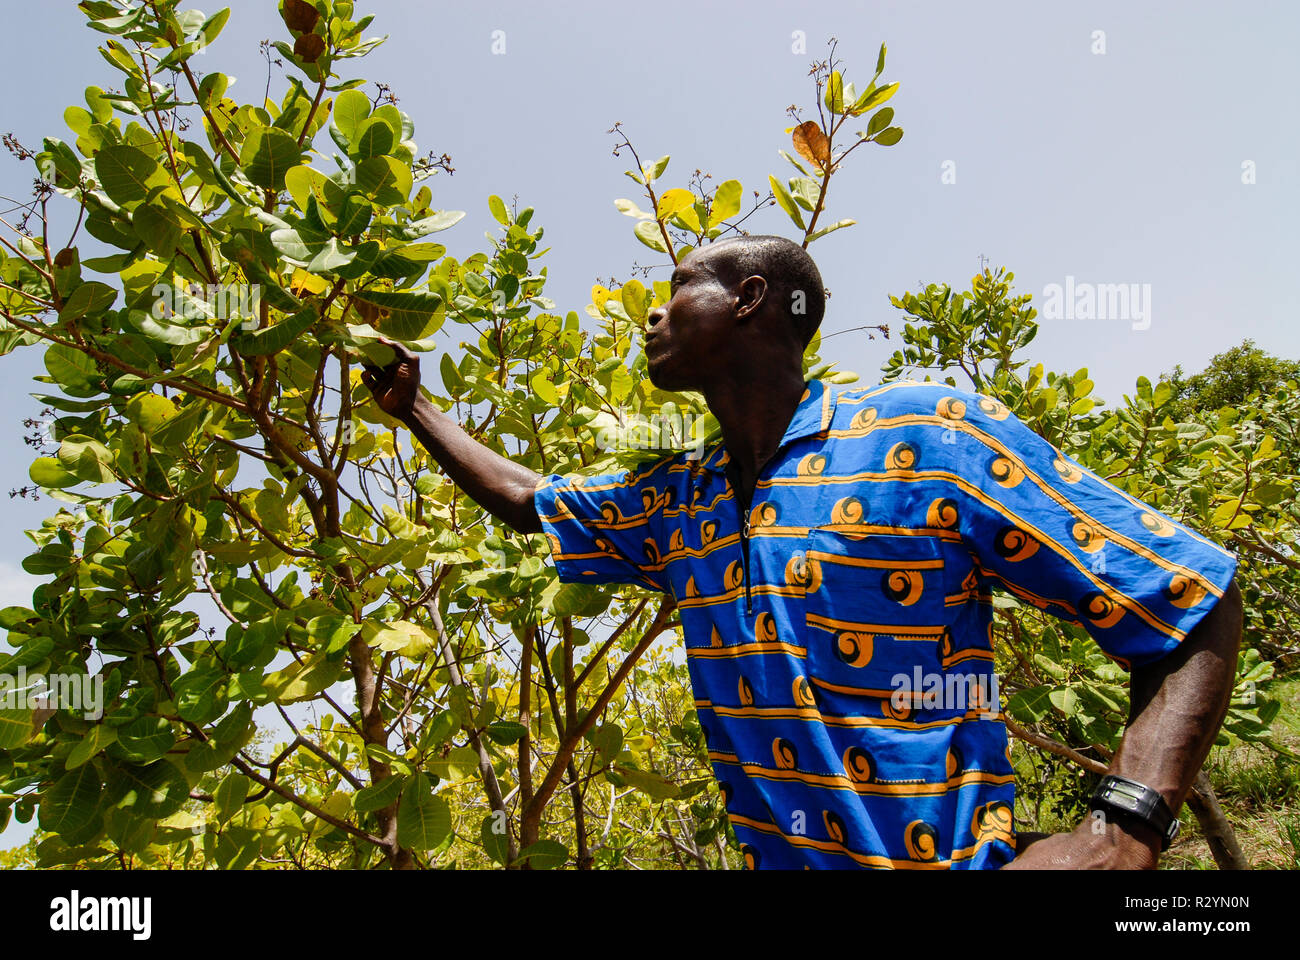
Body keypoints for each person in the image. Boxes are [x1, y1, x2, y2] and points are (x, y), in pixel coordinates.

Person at [361, 235, 1243, 869]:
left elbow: (1186, 598)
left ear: (748, 300)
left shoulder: (926, 433)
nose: (651, 312)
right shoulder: (678, 502)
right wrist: (416, 409)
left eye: (675, 287)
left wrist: (1122, 828)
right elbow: (526, 502)